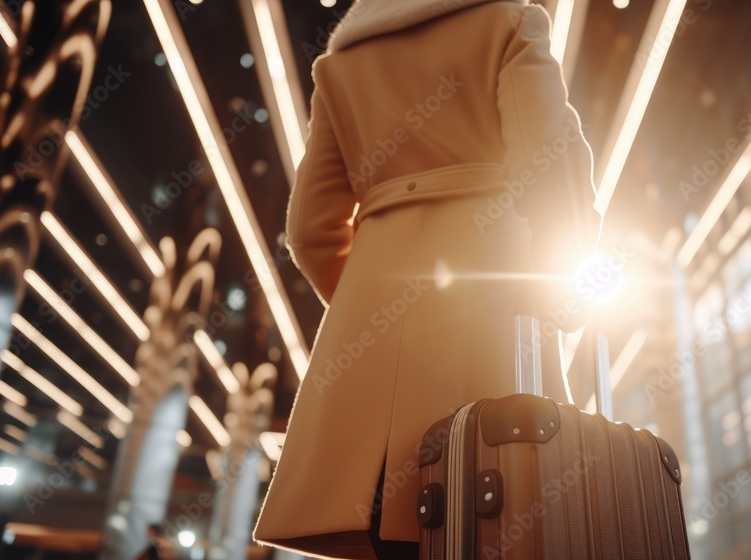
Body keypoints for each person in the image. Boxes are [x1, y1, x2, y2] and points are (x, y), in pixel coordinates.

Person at [253, 0, 601, 558]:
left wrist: (366, 307)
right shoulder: (508, 22)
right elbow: (550, 164)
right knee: (504, 507)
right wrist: (563, 291)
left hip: (366, 363)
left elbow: (308, 230)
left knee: (392, 528)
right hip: (488, 310)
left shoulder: (340, 65)